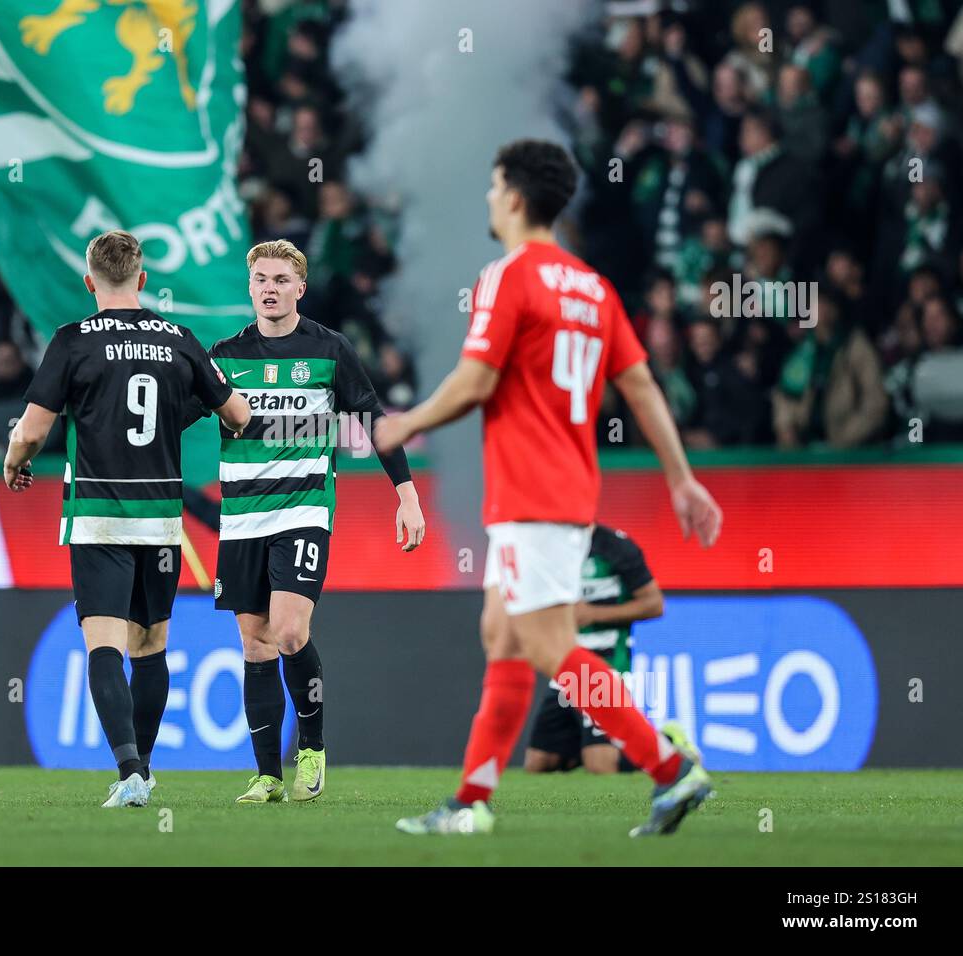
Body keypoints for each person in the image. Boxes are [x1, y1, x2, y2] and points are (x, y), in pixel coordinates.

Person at [375, 139, 722, 837]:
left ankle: (668, 767)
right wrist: (681, 477)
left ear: (513, 195)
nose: (486, 196)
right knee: (502, 634)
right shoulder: (592, 287)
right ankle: (470, 804)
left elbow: (476, 383)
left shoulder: (510, 276)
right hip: (566, 490)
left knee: (546, 645)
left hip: (529, 493)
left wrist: (404, 423)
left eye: (493, 183)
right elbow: (642, 386)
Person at [4, 230, 250, 808]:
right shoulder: (178, 340)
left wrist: (15, 462)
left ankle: (130, 772)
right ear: (142, 280)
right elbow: (236, 412)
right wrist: (183, 413)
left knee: (104, 647)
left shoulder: (72, 342)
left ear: (89, 281)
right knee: (151, 646)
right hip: (162, 520)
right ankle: (144, 767)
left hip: (100, 518)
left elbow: (34, 429)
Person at [203, 239, 425, 804]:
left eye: (281, 279)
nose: (270, 288)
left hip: (304, 511)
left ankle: (312, 749)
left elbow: (373, 417)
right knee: (254, 647)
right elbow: (176, 412)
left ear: (300, 287)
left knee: (289, 631)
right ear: (250, 287)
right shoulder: (224, 355)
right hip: (242, 518)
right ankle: (265, 777)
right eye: (261, 279)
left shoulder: (329, 350)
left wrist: (406, 493)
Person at [524, 525, 663, 775]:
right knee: (538, 763)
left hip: (606, 665)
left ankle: (668, 747)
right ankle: (584, 745)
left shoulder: (615, 546)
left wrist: (594, 614)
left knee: (600, 764)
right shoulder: (551, 548)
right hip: (565, 669)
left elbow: (654, 604)